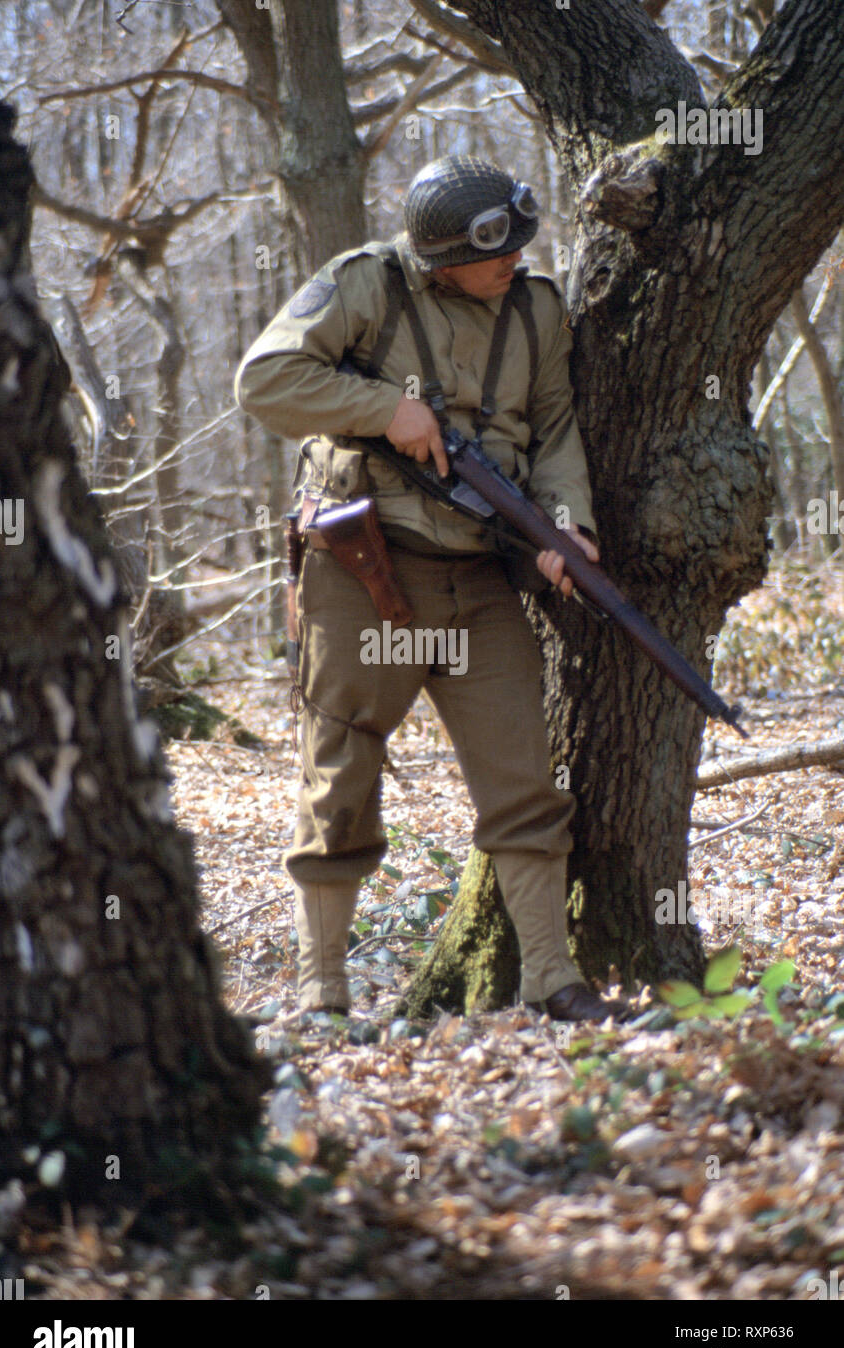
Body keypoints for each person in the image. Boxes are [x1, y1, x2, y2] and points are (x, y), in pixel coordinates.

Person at [234, 153, 627, 1024]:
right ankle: (322, 993)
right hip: (365, 568)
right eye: (495, 251)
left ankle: (551, 982)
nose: (514, 262)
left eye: (522, 245)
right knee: (338, 777)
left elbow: (556, 425)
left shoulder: (537, 308)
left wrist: (567, 525)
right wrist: (387, 412)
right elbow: (262, 381)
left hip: (483, 573)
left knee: (524, 779)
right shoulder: (364, 286)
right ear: (441, 253)